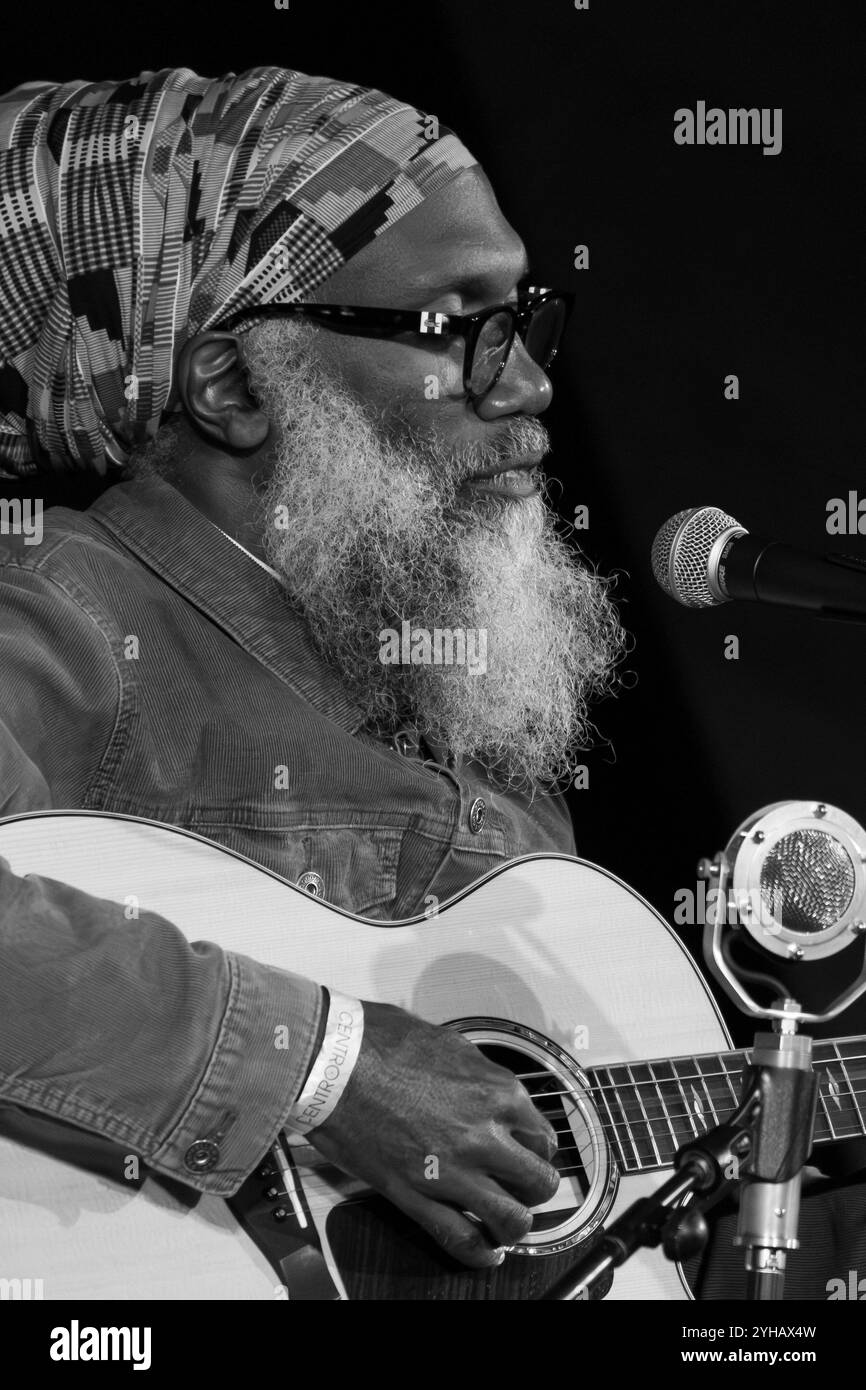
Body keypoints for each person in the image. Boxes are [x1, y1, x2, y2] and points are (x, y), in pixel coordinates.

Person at [0, 65, 624, 1276]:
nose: (529, 384)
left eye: (527, 319)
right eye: (459, 329)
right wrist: (325, 1066)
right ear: (231, 385)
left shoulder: (469, 724)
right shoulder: (60, 605)